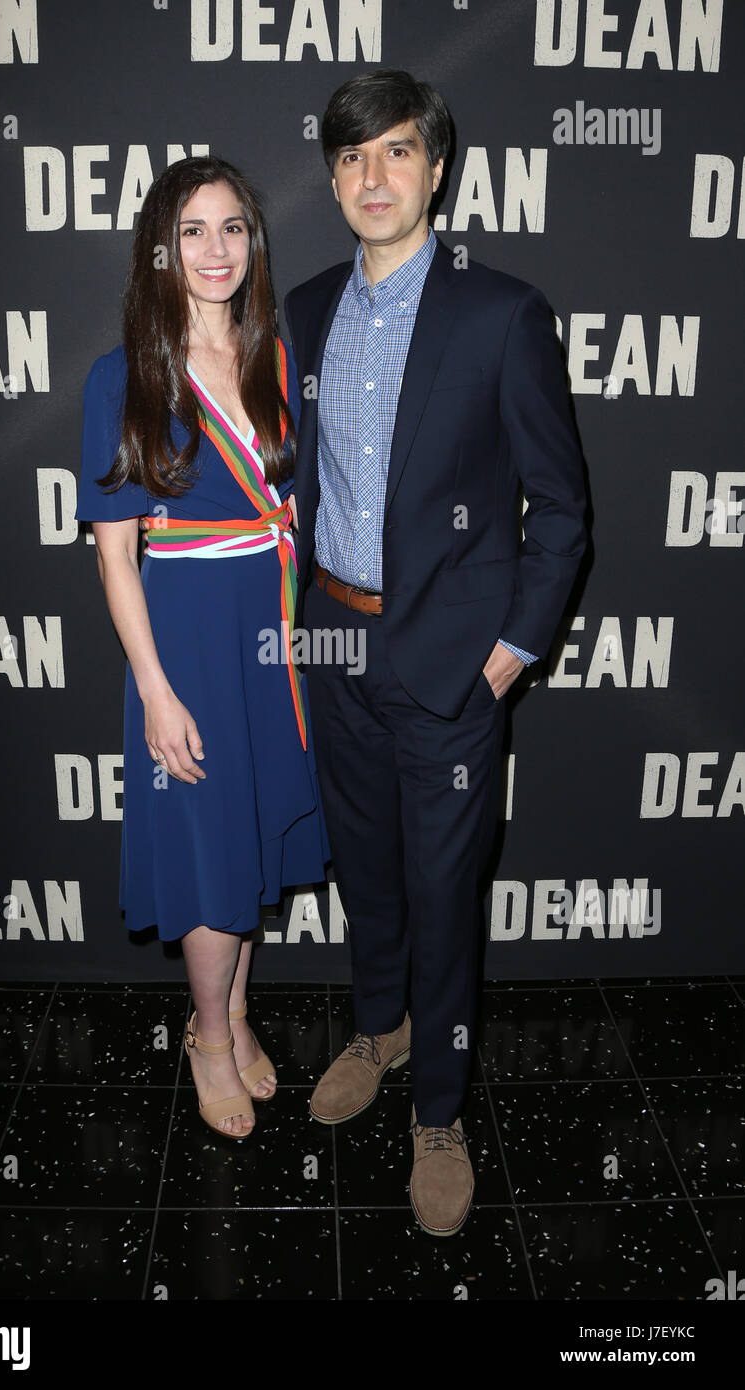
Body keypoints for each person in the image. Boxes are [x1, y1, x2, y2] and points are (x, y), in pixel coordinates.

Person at [283, 71, 588, 1234]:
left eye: (396, 153)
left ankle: (441, 1111)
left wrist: (509, 652)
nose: (372, 177)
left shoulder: (498, 311)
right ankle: (381, 1027)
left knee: (443, 894)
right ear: (332, 177)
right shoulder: (305, 308)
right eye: (352, 158)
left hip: (453, 667)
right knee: (365, 870)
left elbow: (559, 508)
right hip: (333, 641)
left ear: (435, 169)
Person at [75, 156, 330, 1140]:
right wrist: (155, 691)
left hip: (270, 632)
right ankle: (210, 1038)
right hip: (184, 644)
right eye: (193, 229)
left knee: (250, 834)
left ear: (252, 244)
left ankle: (227, 1011)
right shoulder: (124, 376)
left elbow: (296, 504)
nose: (215, 249)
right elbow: (113, 557)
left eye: (232, 228)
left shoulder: (276, 357)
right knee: (206, 849)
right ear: (160, 247)